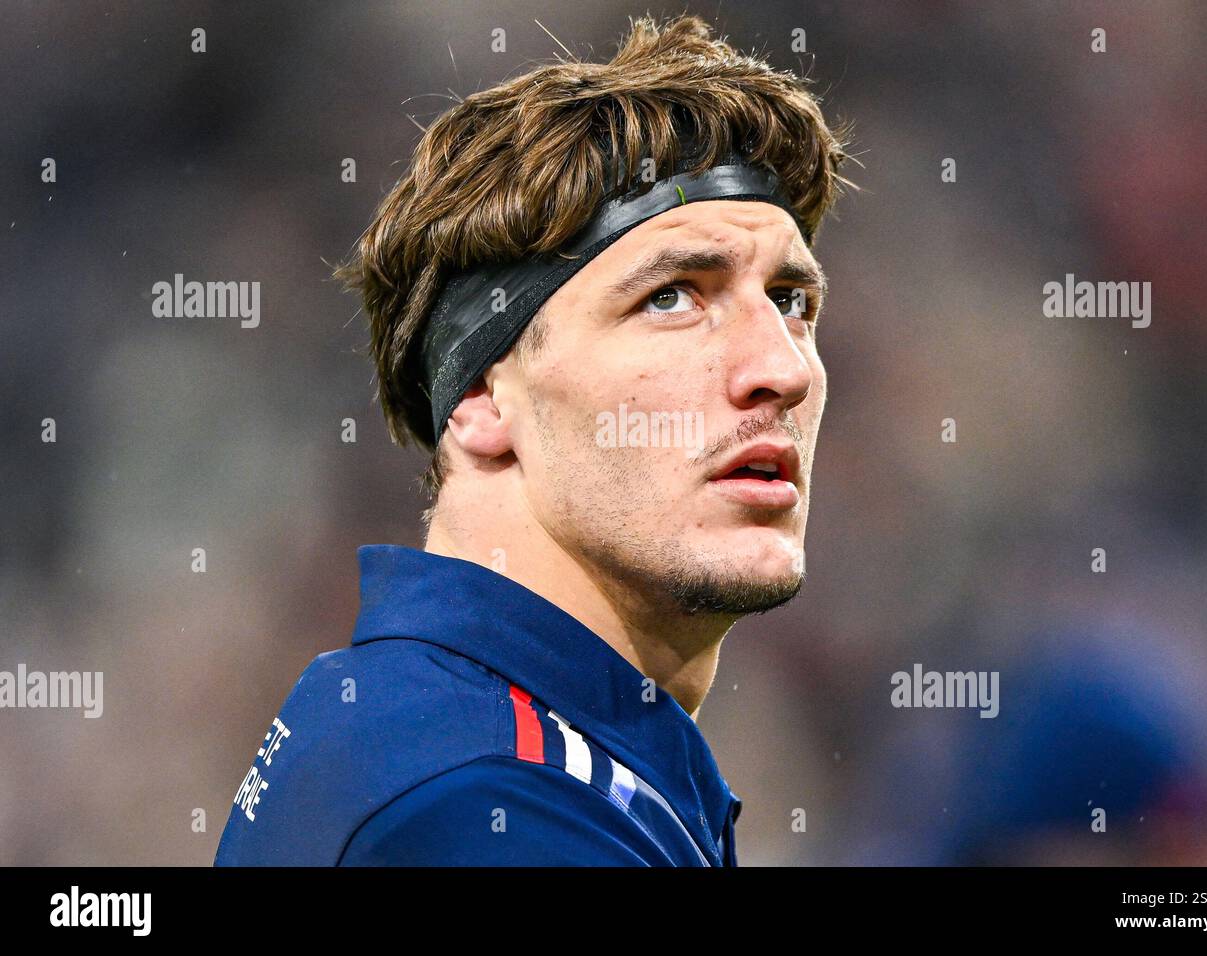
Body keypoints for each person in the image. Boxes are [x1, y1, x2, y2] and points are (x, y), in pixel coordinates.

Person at [214, 12, 852, 866]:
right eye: (671, 298)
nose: (783, 368)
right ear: (481, 396)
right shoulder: (488, 803)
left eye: (790, 301)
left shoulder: (454, 734)